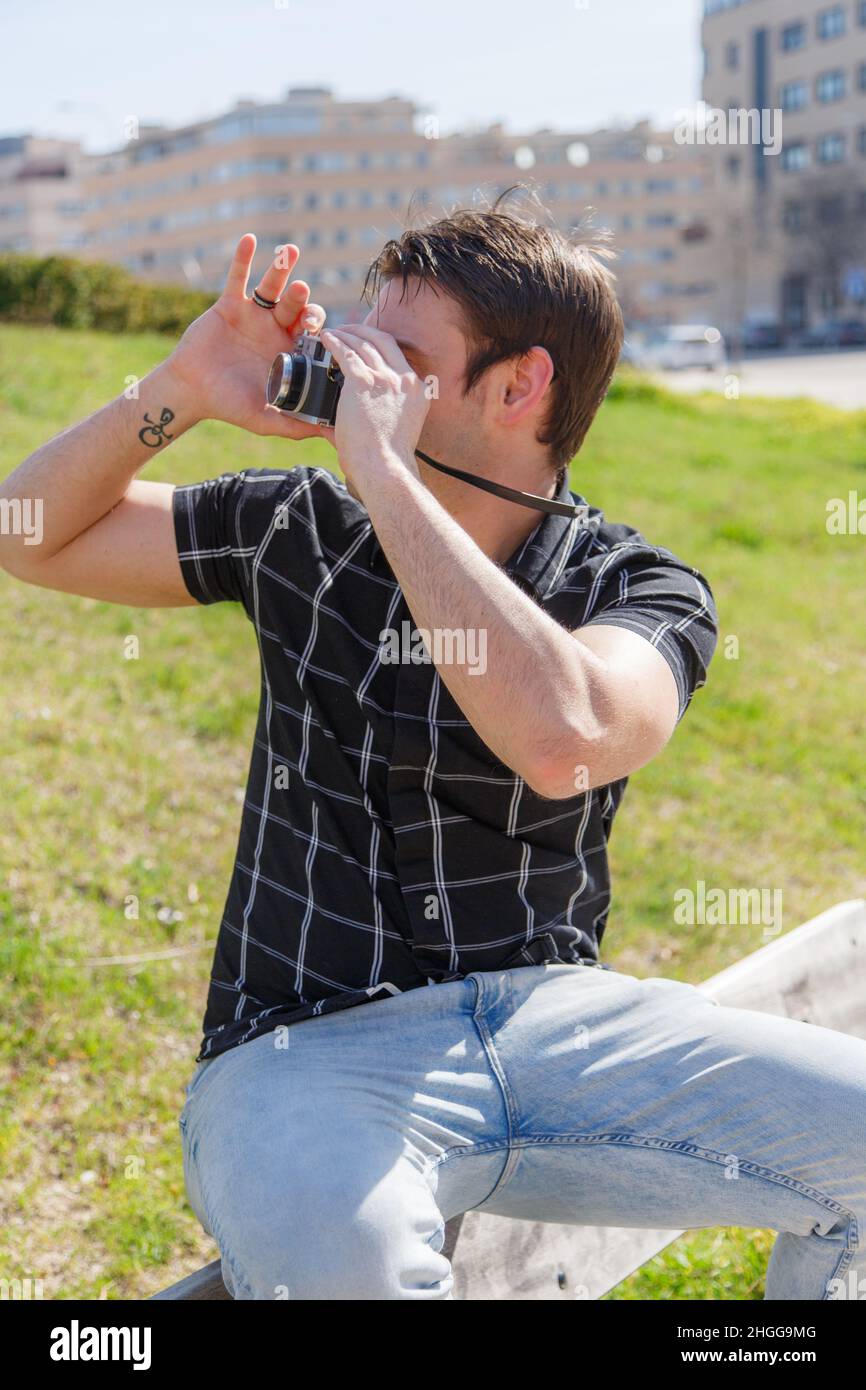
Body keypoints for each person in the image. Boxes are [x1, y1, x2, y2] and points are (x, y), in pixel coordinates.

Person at [3, 208, 865, 1302]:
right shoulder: (298, 529)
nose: (356, 375)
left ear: (518, 389)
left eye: (398, 364)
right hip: (302, 1053)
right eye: (357, 343)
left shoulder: (640, 587)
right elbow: (23, 529)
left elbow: (565, 740)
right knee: (342, 1258)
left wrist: (388, 472)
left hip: (555, 1027)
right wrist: (183, 383)